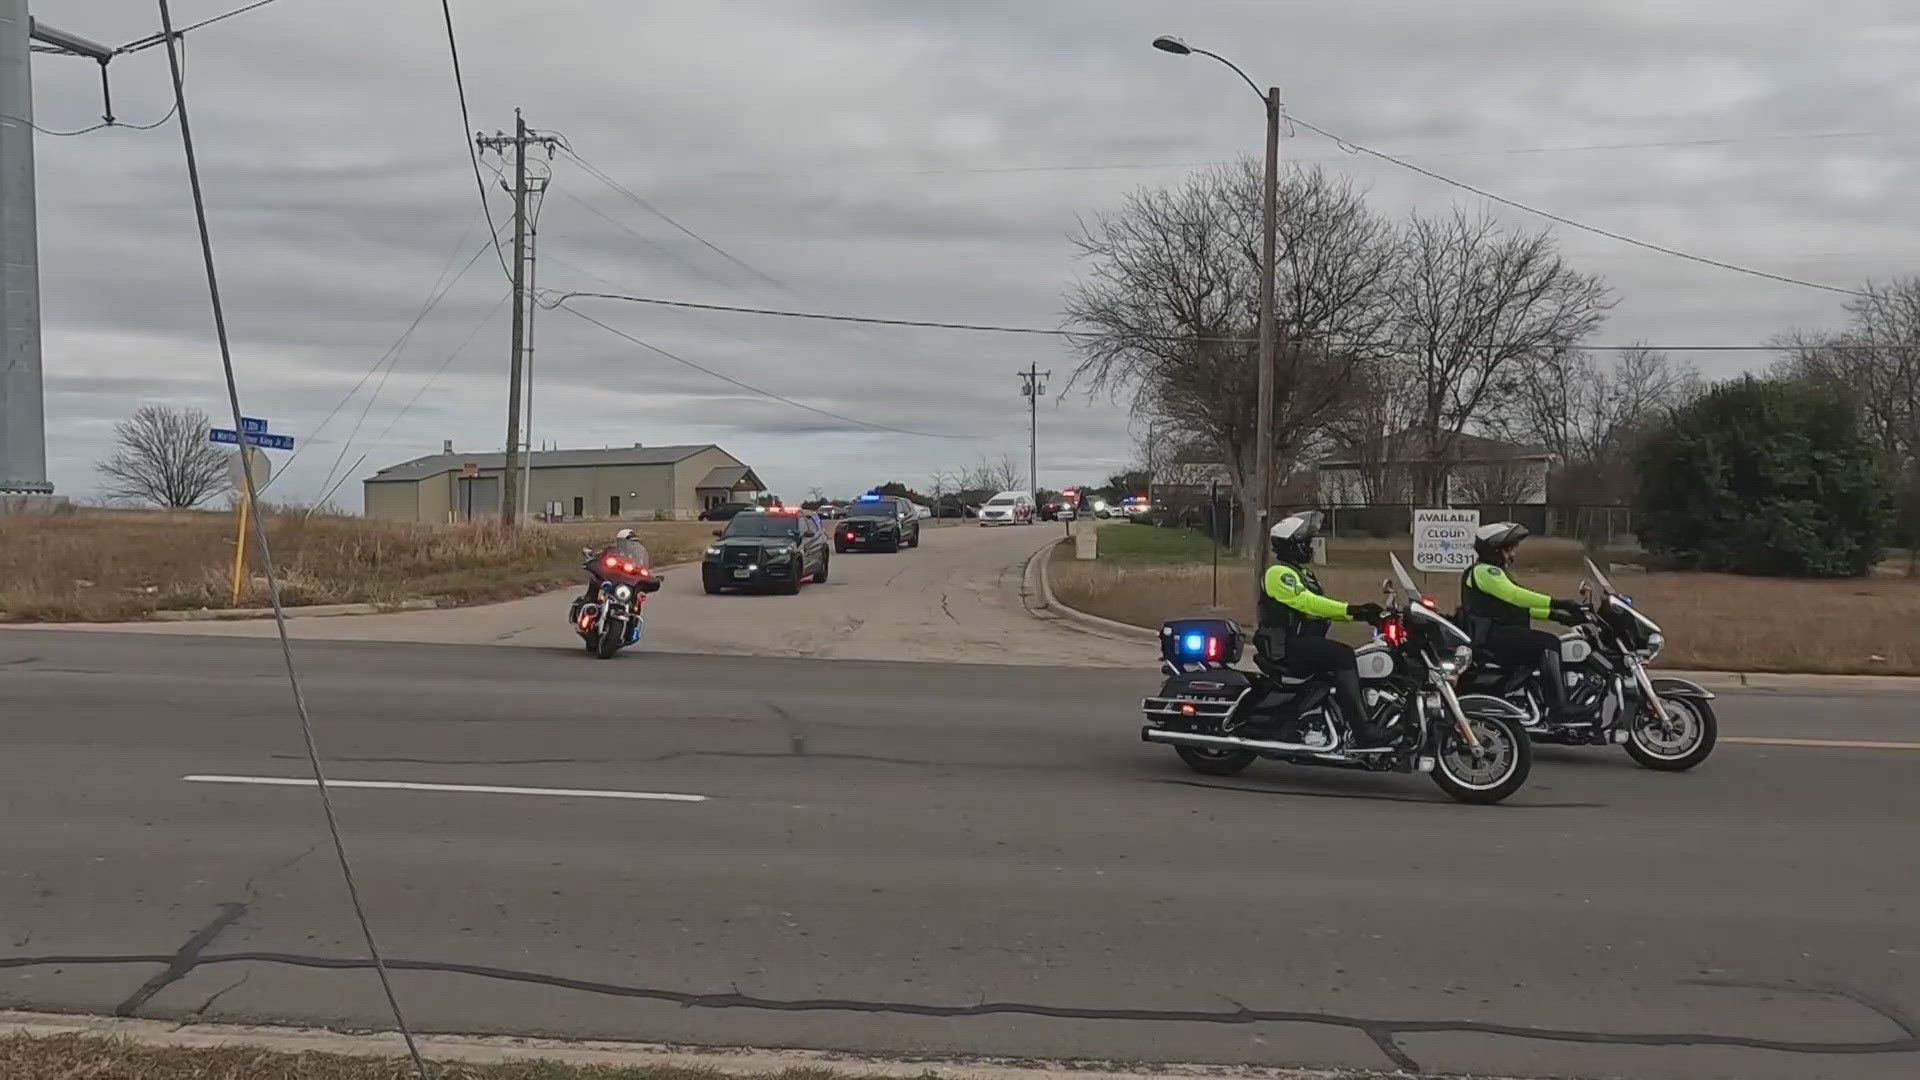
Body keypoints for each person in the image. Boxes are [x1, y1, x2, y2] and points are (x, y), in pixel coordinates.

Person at [1256, 512, 1387, 744]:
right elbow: (1308, 603)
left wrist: (1367, 616)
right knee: (1343, 655)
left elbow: (1320, 608)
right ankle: (1362, 730)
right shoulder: (1279, 573)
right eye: (1305, 543)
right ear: (1291, 545)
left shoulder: (1302, 573)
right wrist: (1355, 611)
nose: (1309, 547)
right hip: (1285, 645)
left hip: (1302, 641)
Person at [1458, 522, 1584, 719]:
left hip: (1497, 632)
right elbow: (1515, 596)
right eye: (1510, 549)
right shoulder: (1484, 571)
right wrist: (1560, 604)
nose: (1513, 554)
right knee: (1549, 644)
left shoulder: (1495, 573)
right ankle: (1558, 706)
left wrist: (1556, 616)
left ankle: (1540, 698)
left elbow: (1516, 607)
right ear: (1497, 549)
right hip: (1491, 636)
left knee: (1546, 643)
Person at [578, 528, 654, 605]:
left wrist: (647, 574)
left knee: (637, 596)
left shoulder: (636, 556)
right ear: (620, 542)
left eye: (633, 542)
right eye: (626, 542)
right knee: (597, 581)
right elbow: (600, 557)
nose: (629, 545)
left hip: (626, 584)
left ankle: (633, 612)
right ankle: (589, 601)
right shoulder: (613, 551)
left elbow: (641, 565)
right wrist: (596, 558)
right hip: (612, 579)